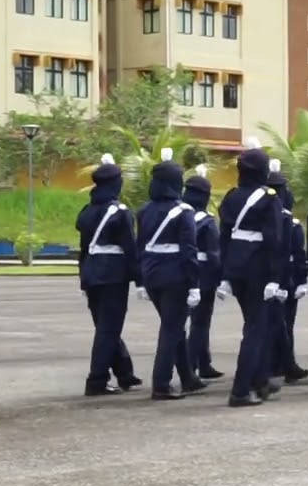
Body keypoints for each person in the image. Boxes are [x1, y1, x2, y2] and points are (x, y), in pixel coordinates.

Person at [217, 137, 287, 407]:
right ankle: (241, 390)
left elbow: (224, 237)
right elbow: (273, 240)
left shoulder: (232, 197)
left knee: (255, 323)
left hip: (236, 265)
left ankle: (260, 380)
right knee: (256, 329)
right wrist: (275, 277)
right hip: (259, 267)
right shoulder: (268, 198)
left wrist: (225, 273)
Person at [136, 148, 207, 400]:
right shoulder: (183, 211)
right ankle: (161, 384)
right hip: (175, 276)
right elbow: (189, 250)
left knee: (174, 328)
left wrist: (141, 281)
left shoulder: (144, 211)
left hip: (152, 275)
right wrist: (194, 284)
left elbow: (140, 246)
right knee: (171, 329)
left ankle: (188, 378)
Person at [75, 153, 141, 397]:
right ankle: (97, 380)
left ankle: (125, 373)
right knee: (108, 329)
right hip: (113, 274)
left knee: (105, 327)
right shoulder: (120, 212)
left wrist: (83, 276)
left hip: (91, 272)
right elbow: (130, 248)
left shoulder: (86, 211)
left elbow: (83, 248)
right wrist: (140, 279)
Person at [266, 158, 308, 384]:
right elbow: (297, 254)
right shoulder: (288, 222)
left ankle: (276, 364)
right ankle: (284, 363)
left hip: (263, 274)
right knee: (285, 323)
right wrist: (301, 278)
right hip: (285, 276)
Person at [182, 164, 223, 381]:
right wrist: (220, 277)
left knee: (194, 321)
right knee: (200, 323)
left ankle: (204, 362)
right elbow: (214, 253)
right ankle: (191, 367)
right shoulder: (207, 222)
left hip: (182, 273)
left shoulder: (178, 215)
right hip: (204, 276)